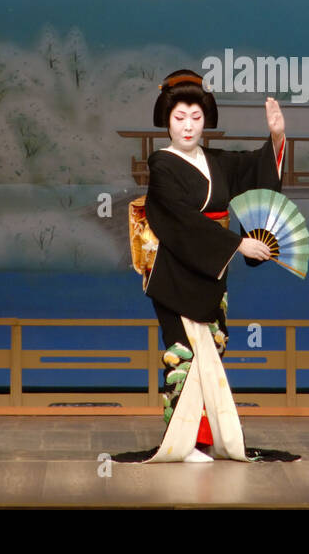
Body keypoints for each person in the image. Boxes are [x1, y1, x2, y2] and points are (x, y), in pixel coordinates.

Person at [121, 69, 290, 463]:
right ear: (167, 121)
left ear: (205, 121)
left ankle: (204, 436)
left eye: (195, 118)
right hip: (174, 273)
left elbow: (256, 169)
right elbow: (182, 221)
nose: (187, 126)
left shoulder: (216, 162)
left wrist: (278, 139)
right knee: (183, 356)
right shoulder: (161, 164)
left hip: (213, 271)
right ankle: (184, 443)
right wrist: (237, 243)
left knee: (211, 351)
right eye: (179, 117)